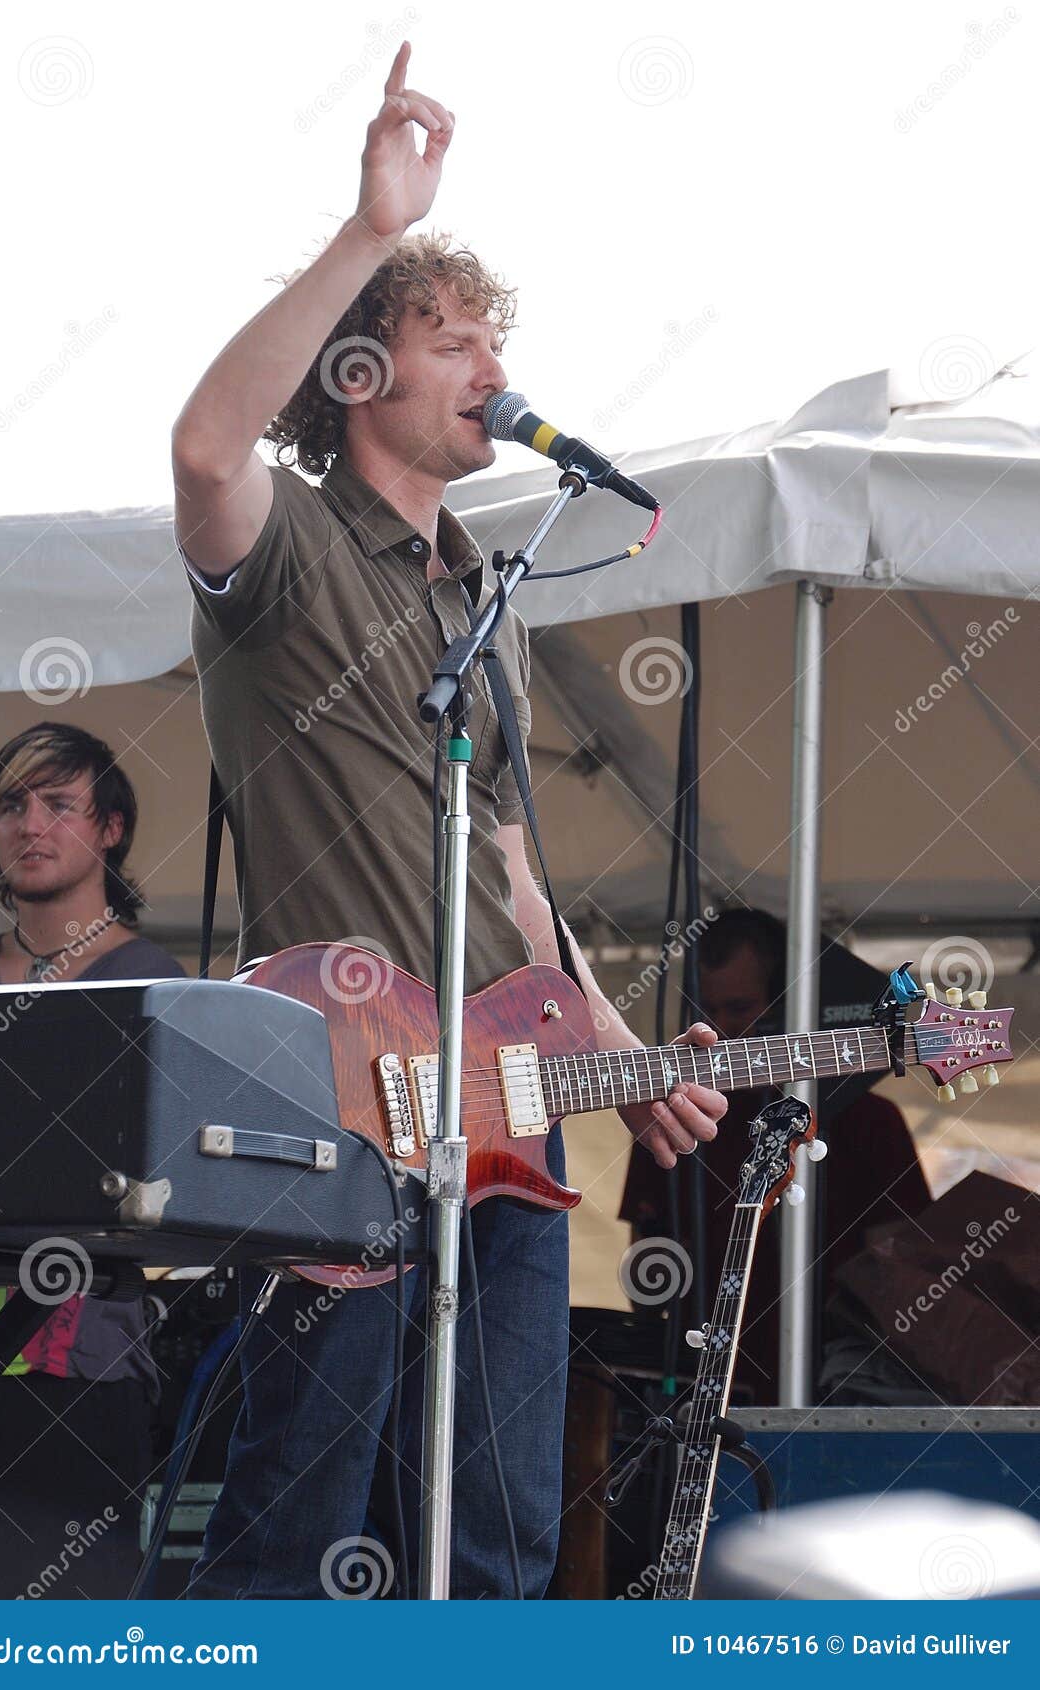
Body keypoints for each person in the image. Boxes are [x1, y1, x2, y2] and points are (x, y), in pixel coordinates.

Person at [170, 40, 727, 1599]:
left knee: (500, 1521)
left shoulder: (489, 603)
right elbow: (205, 446)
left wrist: (615, 1045)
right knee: (301, 1500)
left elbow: (514, 883)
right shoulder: (291, 555)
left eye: (495, 341)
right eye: (453, 340)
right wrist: (372, 231)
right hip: (341, 1090)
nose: (493, 369)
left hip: (508, 1102)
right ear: (360, 374)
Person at [0, 721, 185, 1598]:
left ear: (111, 828)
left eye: (59, 804)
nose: (30, 824)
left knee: (68, 1625)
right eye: (10, 806)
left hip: (81, 1364)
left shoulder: (158, 985)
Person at [619, 907, 932, 1403]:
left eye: (740, 1008)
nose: (721, 1029)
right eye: (707, 1010)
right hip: (704, 1384)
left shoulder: (872, 1122)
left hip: (840, 1389)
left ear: (790, 1002)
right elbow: (646, 1260)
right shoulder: (674, 1112)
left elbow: (906, 1268)